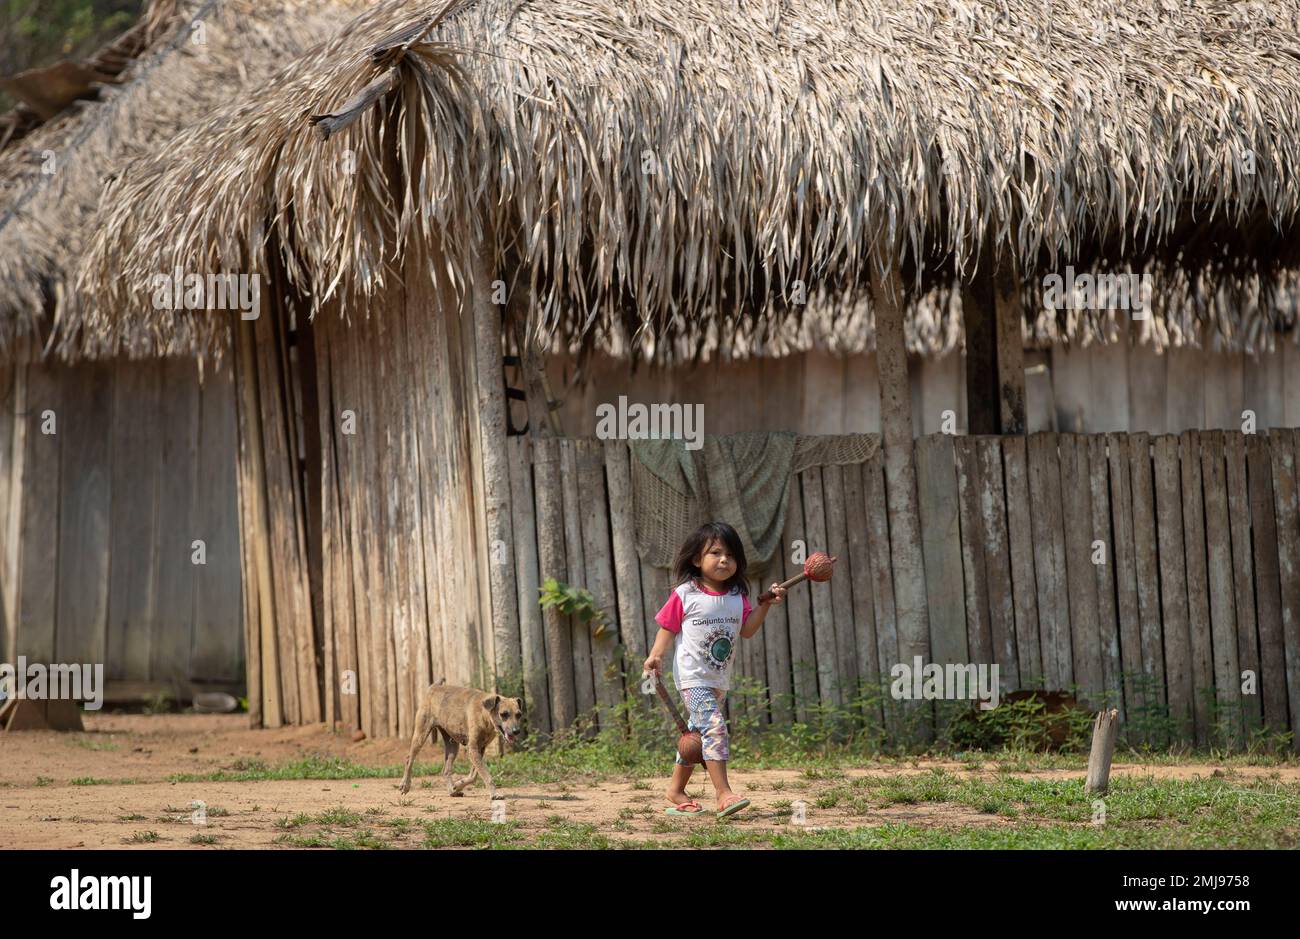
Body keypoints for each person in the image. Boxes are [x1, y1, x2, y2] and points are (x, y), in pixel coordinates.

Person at [642, 521, 786, 818]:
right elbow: (667, 628)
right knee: (714, 727)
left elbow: (746, 630)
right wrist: (656, 655)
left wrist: (767, 604)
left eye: (731, 555)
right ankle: (724, 793)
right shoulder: (685, 593)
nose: (724, 560)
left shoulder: (737, 597)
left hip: (718, 678)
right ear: (697, 559)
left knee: (697, 735)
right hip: (692, 678)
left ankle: (675, 790)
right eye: (716, 553)